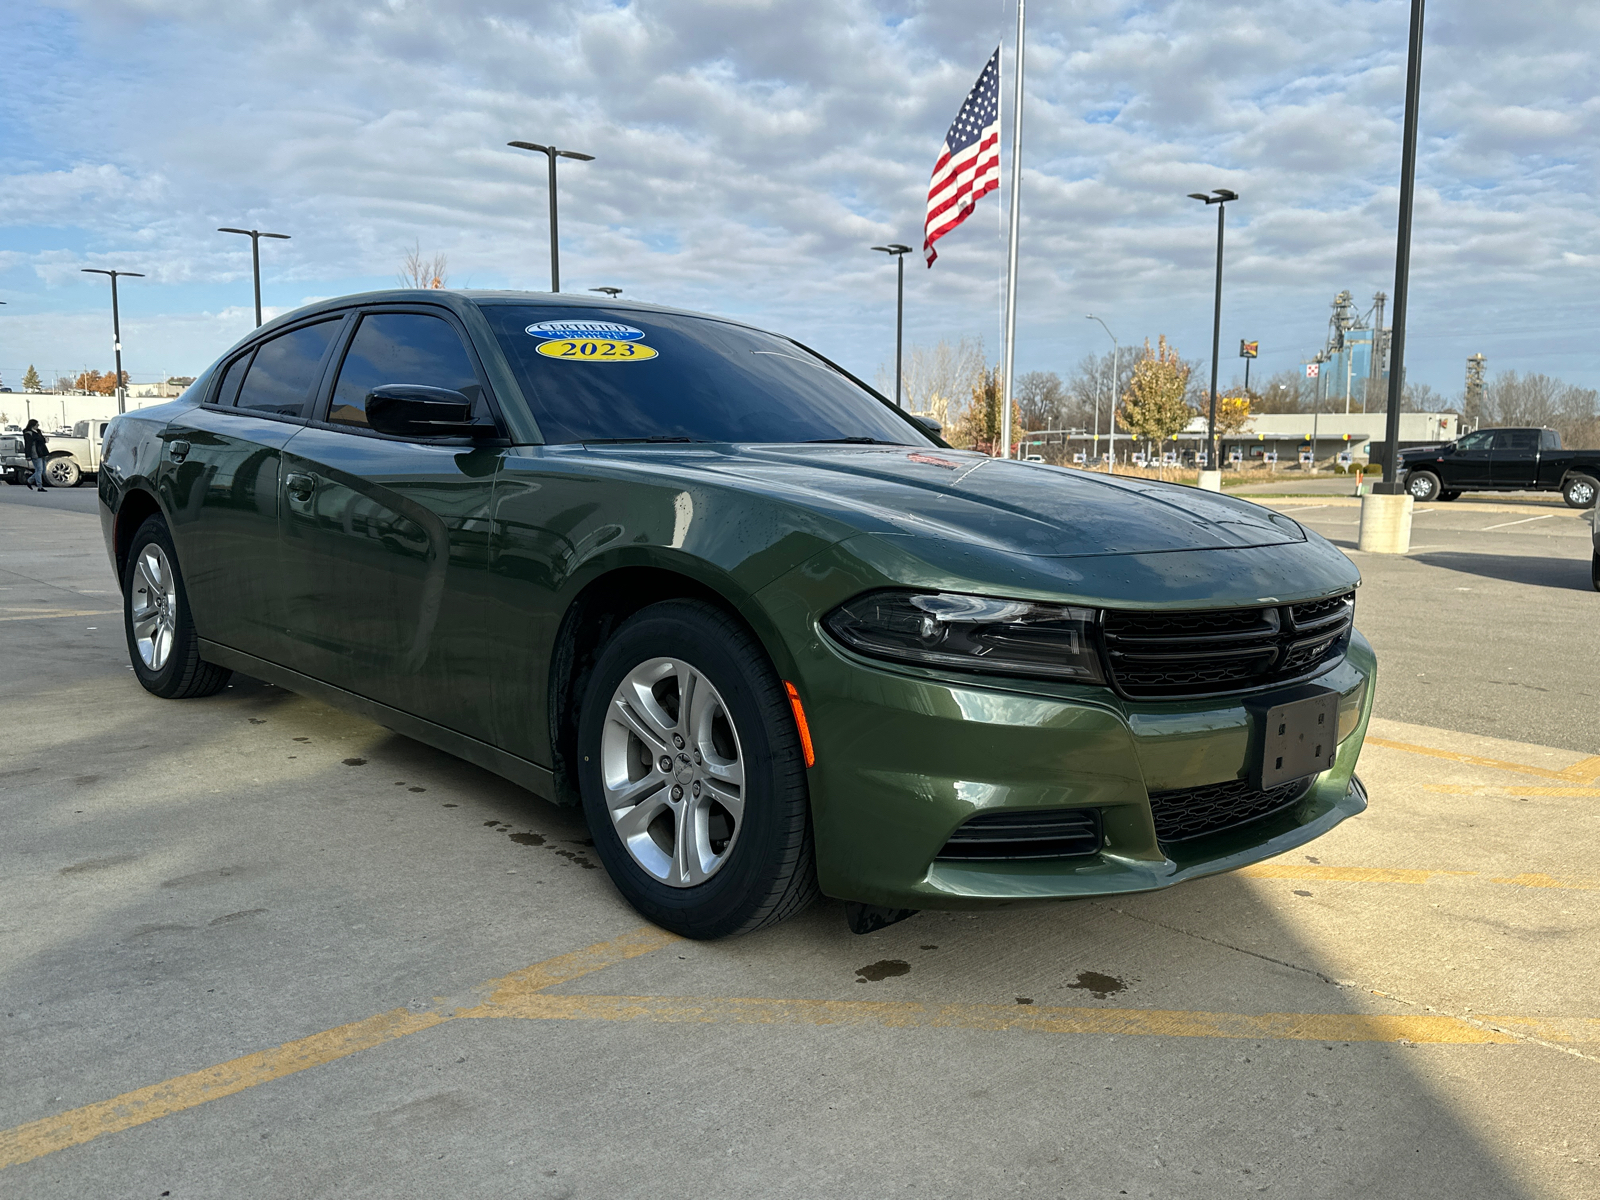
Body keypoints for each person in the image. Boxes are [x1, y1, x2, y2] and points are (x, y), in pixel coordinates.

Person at [22, 419, 48, 491]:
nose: (38, 426)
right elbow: (28, 445)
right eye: (37, 424)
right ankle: (40, 486)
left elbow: (41, 440)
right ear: (32, 425)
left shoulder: (38, 431)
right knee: (39, 469)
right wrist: (28, 455)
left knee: (43, 470)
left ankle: (29, 481)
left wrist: (45, 440)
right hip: (35, 453)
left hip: (42, 452)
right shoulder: (28, 433)